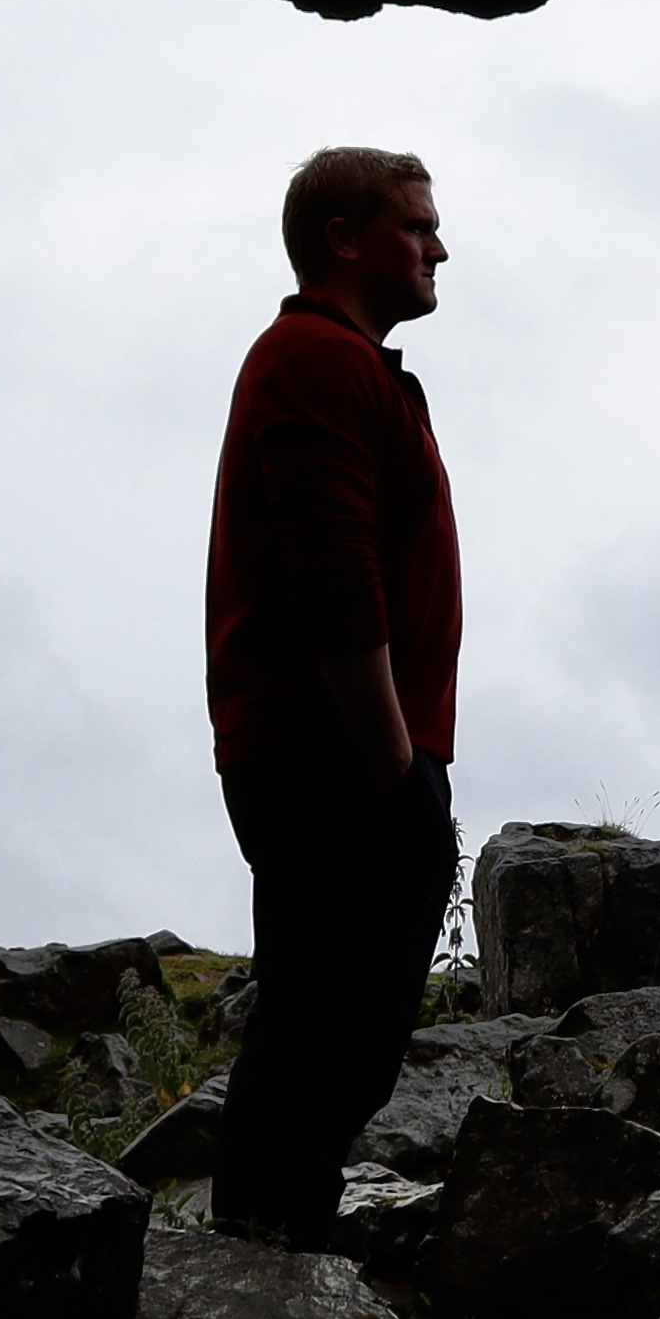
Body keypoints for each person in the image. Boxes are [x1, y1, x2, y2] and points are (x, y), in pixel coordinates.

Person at [201, 146, 462, 1246]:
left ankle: (283, 1229)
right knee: (328, 1007)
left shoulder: (346, 363)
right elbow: (332, 577)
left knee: (337, 1004)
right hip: (333, 751)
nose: (438, 246)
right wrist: (392, 760)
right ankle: (264, 1245)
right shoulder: (313, 358)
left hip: (339, 749)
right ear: (344, 238)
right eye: (415, 225)